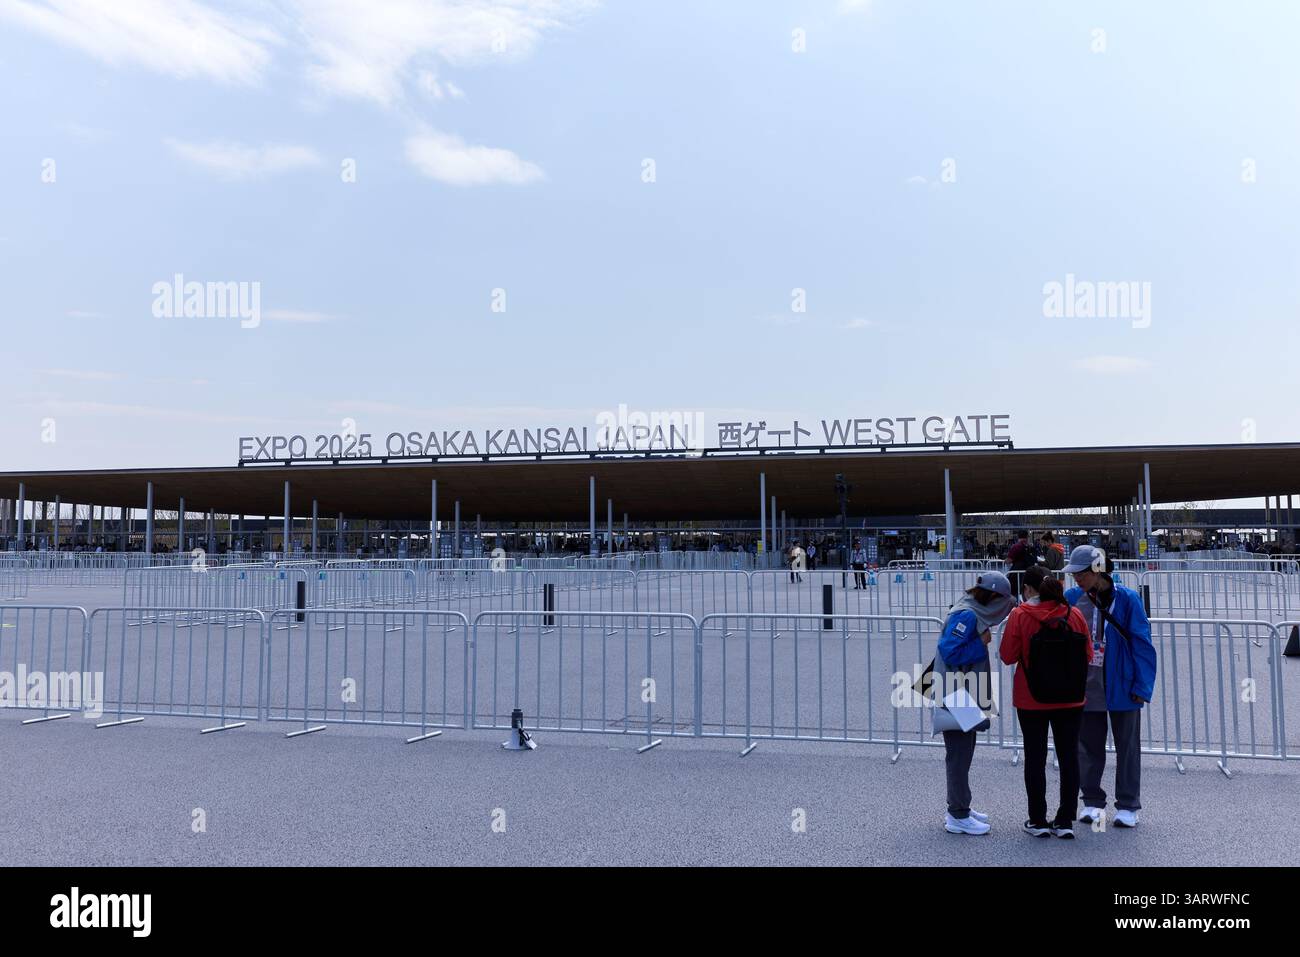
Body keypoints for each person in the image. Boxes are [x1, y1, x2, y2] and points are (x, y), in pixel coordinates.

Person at [1062, 545, 1157, 829]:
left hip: (1122, 683)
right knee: (1088, 746)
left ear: (1098, 570)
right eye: (1074, 574)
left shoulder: (1128, 599)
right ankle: (1091, 800)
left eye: (1081, 573)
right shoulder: (1071, 598)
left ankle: (1128, 804)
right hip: (1086, 685)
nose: (1076, 578)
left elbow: (1142, 643)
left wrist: (1143, 684)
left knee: (1127, 747)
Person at [999, 565, 1092, 838]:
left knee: (1035, 758)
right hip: (1071, 699)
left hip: (1031, 698)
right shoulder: (1073, 613)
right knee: (1069, 757)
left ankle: (1037, 819)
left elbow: (1007, 655)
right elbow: (1086, 654)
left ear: (1028, 589)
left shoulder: (1019, 615)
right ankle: (1065, 820)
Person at [933, 570, 1014, 835]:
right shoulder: (967, 615)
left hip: (960, 691)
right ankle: (957, 814)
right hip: (957, 693)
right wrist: (980, 642)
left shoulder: (970, 610)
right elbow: (949, 650)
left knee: (963, 751)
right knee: (959, 754)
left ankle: (961, 805)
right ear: (993, 597)